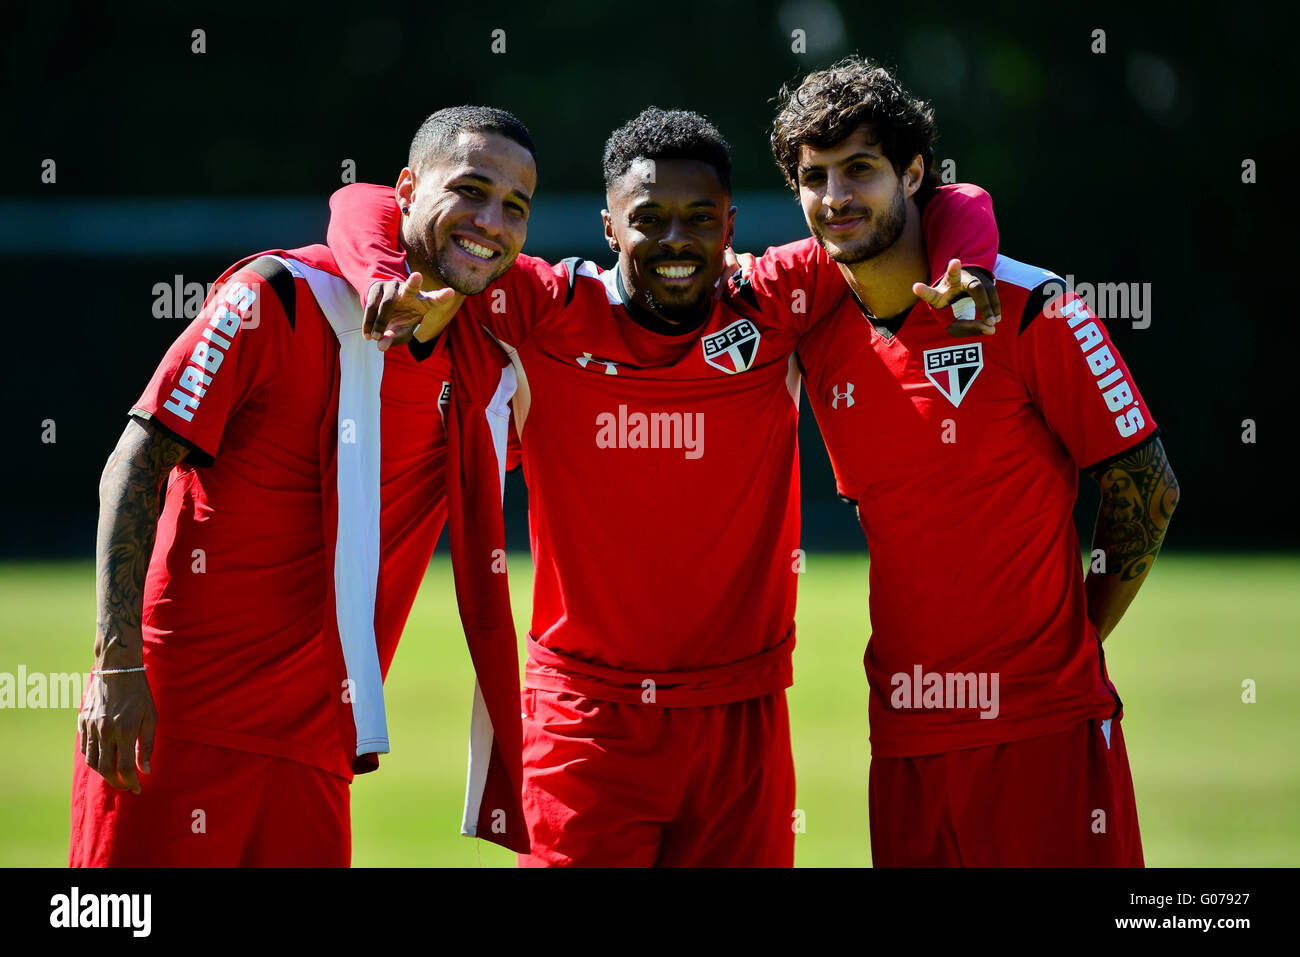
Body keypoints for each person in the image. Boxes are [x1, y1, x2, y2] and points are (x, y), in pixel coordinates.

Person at [327, 106, 999, 866]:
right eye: (648, 218)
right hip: (584, 722)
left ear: (731, 225)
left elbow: (951, 198)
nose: (676, 241)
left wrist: (970, 264)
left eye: (700, 218)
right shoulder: (541, 307)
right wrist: (383, 278)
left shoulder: (777, 299)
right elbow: (366, 203)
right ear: (610, 227)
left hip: (742, 718)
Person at [70, 106, 536, 866]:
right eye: (472, 190)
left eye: (515, 206)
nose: (491, 220)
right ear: (408, 191)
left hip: (321, 748)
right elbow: (136, 459)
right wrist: (116, 663)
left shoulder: (488, 360)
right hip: (172, 721)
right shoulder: (278, 293)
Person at [769, 56, 1180, 865]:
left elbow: (1148, 485)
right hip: (904, 739)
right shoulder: (809, 325)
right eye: (815, 178)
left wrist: (1076, 641)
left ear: (914, 171)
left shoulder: (1033, 308)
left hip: (1044, 732)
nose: (836, 197)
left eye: (861, 169)